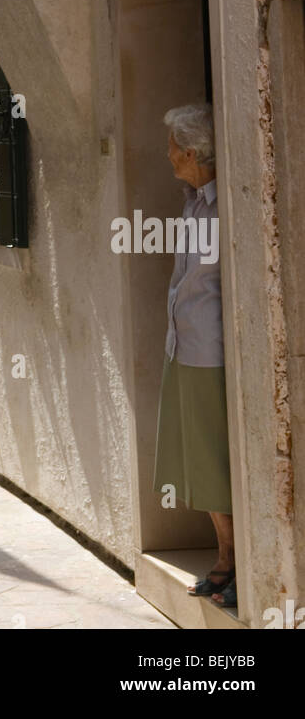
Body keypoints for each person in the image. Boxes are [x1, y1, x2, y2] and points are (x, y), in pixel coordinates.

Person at [153, 103, 235, 608]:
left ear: (190, 151)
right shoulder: (193, 201)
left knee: (213, 461)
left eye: (171, 150)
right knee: (194, 460)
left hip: (211, 352)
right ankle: (224, 555)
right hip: (183, 347)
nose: (167, 158)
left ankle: (232, 561)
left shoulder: (225, 203)